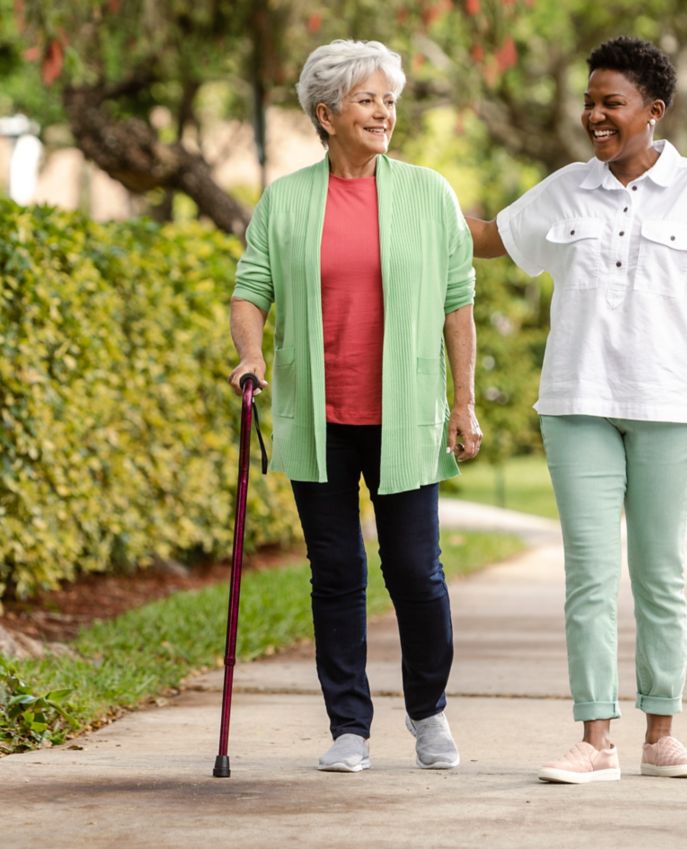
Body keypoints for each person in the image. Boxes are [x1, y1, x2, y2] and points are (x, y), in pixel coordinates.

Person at [464, 36, 687, 783]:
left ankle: (661, 732)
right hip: (577, 402)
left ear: (652, 112)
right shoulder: (565, 188)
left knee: (659, 572)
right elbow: (488, 239)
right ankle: (594, 738)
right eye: (588, 101)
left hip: (668, 404)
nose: (593, 114)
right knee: (588, 574)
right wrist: (404, 188)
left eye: (610, 103)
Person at [228, 39, 481, 773]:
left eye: (389, 100)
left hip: (404, 416)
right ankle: (348, 726)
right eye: (367, 100)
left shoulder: (426, 193)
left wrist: (463, 402)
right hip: (320, 417)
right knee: (335, 570)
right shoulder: (286, 199)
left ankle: (428, 712)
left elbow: (456, 304)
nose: (383, 112)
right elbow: (251, 289)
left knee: (415, 570)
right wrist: (249, 354)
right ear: (326, 113)